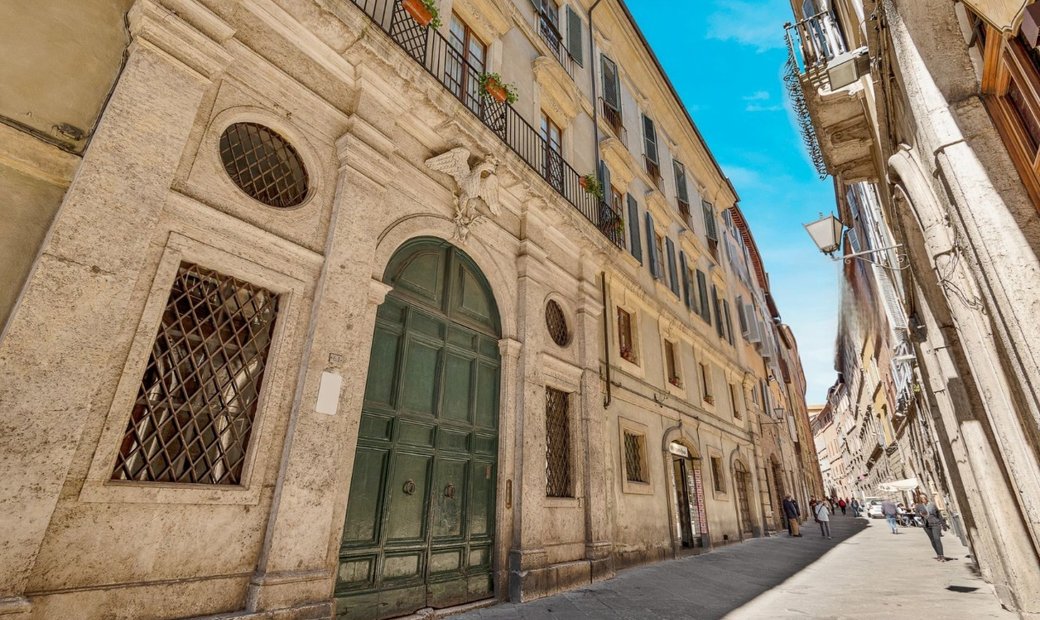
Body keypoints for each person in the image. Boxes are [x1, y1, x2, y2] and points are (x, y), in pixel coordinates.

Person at [915, 495, 947, 561]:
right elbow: (917, 515)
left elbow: (938, 515)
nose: (923, 499)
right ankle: (938, 555)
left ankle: (942, 556)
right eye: (921, 498)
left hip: (935, 523)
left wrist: (943, 525)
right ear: (919, 499)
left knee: (937, 539)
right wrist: (921, 514)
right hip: (926, 525)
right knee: (932, 540)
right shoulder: (918, 506)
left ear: (926, 498)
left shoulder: (932, 505)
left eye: (924, 497)